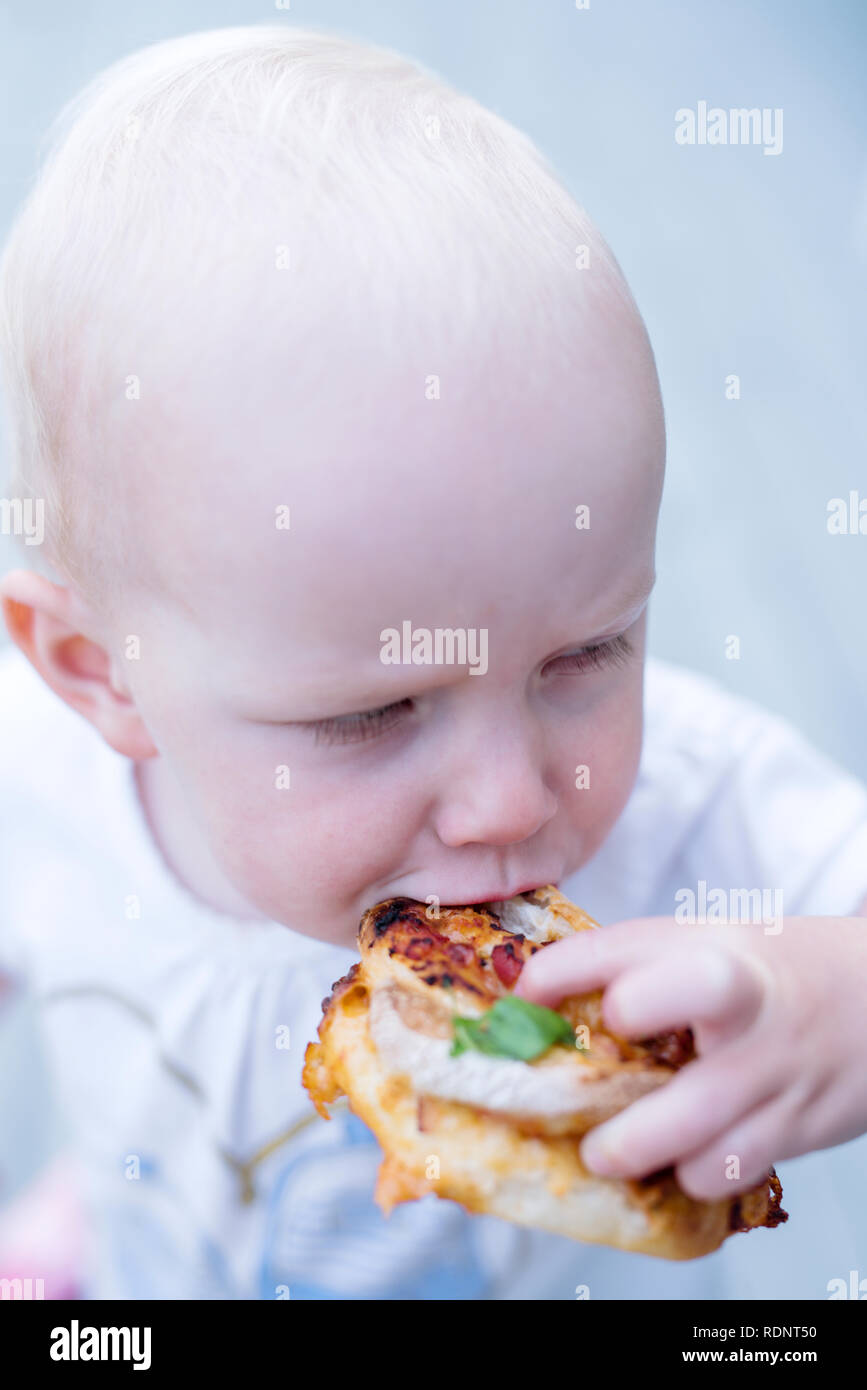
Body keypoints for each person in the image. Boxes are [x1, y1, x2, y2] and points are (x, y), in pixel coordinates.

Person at [1, 24, 865, 1300]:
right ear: (101, 673)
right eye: (376, 710)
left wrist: (841, 991)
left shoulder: (689, 797)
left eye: (589, 649)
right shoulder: (34, 785)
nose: (514, 798)